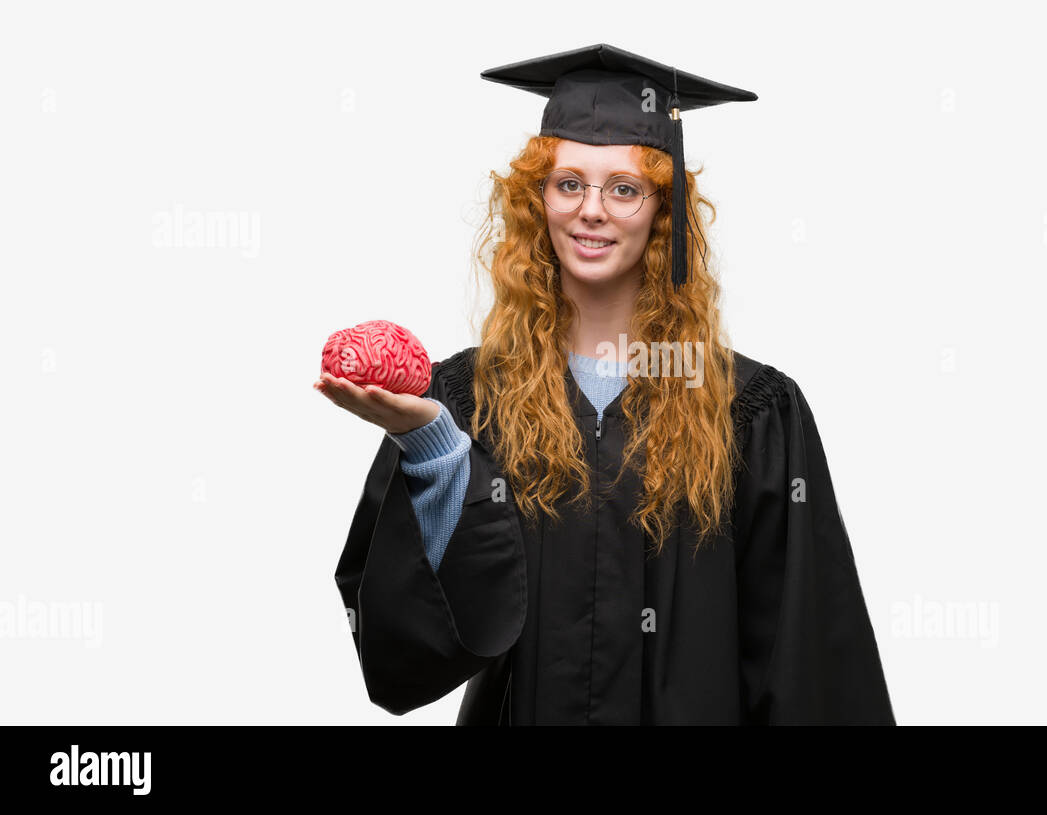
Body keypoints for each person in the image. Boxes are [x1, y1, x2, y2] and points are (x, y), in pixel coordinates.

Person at [314, 43, 896, 725]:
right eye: (568, 184)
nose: (592, 209)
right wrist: (433, 450)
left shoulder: (748, 412)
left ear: (662, 211)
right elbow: (405, 655)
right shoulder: (466, 399)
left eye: (623, 187)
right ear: (539, 201)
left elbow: (807, 662)